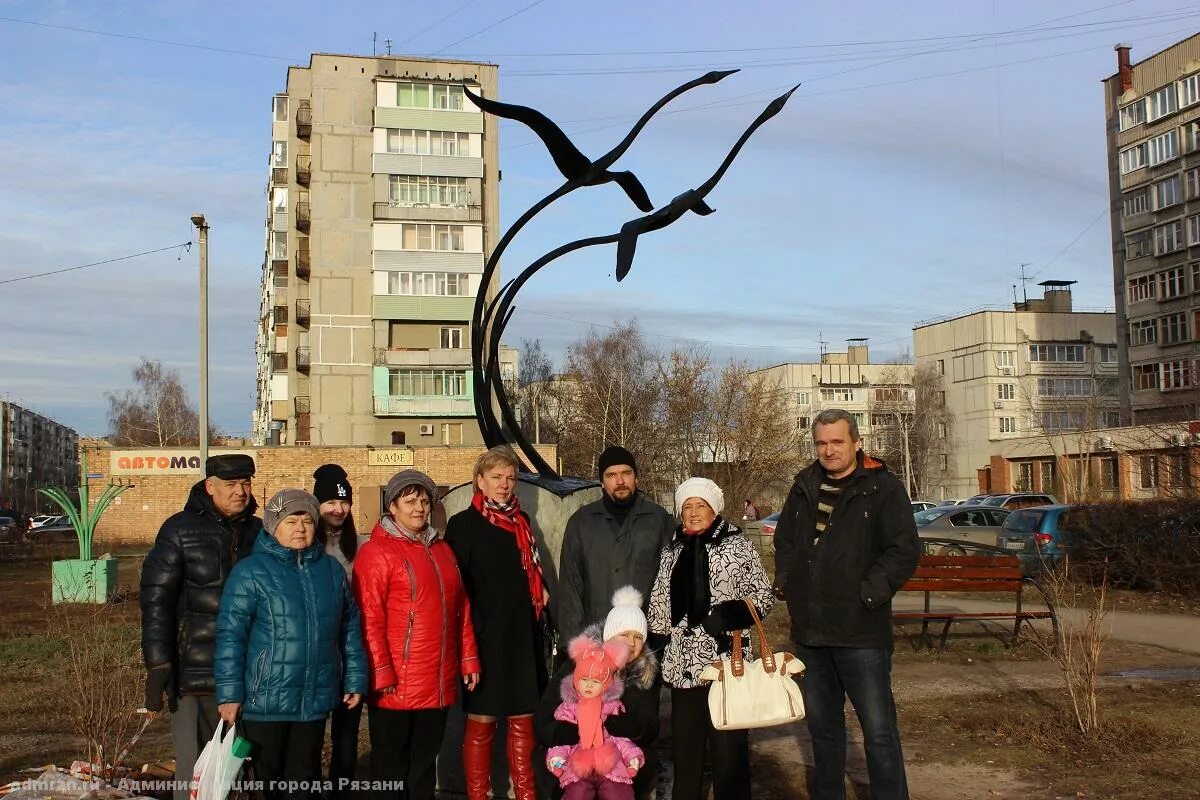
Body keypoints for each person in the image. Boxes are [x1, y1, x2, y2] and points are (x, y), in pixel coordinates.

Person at [772, 409, 920, 800]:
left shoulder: (882, 488)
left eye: (837, 442)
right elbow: (785, 539)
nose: (829, 450)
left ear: (856, 442)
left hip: (861, 632)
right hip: (812, 633)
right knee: (823, 729)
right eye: (821, 443)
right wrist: (788, 581)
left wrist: (869, 592)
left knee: (879, 730)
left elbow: (904, 550)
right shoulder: (804, 485)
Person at [214, 489, 367, 800]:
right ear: (273, 526)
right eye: (291, 521)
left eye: (307, 521)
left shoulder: (330, 570)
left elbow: (349, 628)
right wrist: (230, 693)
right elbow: (231, 636)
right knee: (265, 783)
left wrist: (354, 678)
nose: (300, 528)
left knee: (304, 781)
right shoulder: (250, 572)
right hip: (263, 702)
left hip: (312, 700)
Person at [140, 454, 262, 800]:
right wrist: (159, 663)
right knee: (195, 773)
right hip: (193, 674)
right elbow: (156, 600)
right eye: (231, 484)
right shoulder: (179, 530)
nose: (240, 491)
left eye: (246, 483)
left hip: (247, 674)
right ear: (210, 487)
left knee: (239, 769)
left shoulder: (259, 532)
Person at [354, 469, 480, 800]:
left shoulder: (441, 550)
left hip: (436, 679)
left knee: (424, 766)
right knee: (391, 769)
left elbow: (460, 610)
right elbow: (369, 616)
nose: (419, 508)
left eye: (424, 501)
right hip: (395, 682)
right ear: (392, 506)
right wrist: (380, 672)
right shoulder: (376, 553)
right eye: (410, 501)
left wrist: (468, 659)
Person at [647, 477, 773, 800]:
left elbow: (763, 597)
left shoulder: (738, 545)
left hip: (726, 666)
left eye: (699, 505)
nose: (692, 512)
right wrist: (655, 650)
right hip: (684, 668)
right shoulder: (671, 550)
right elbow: (659, 605)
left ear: (714, 509)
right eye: (686, 506)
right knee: (685, 757)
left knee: (729, 758)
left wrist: (728, 616)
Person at [445, 446, 548, 800]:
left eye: (510, 478)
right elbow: (458, 590)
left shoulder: (523, 523)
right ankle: (478, 794)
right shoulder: (462, 525)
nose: (504, 484)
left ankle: (525, 793)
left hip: (521, 635)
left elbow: (527, 575)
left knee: (523, 720)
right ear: (480, 481)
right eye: (496, 477)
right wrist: (468, 647)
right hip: (484, 638)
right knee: (482, 720)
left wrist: (542, 590)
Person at [537, 587, 662, 800]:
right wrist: (561, 731)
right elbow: (543, 717)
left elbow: (650, 726)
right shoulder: (579, 666)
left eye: (638, 637)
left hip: (619, 757)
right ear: (610, 635)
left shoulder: (644, 676)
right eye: (625, 634)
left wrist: (631, 728)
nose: (632, 643)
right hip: (574, 752)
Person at [557, 446, 674, 642]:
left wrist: (663, 636)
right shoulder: (581, 522)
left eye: (626, 473)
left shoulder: (658, 520)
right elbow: (570, 587)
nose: (620, 481)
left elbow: (672, 580)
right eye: (611, 475)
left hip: (647, 639)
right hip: (597, 638)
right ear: (602, 482)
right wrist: (575, 644)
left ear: (636, 477)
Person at [312, 463, 369, 797]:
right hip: (317, 653)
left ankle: (341, 789)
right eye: (331, 502)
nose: (338, 509)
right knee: (313, 733)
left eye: (344, 502)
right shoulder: (306, 544)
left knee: (346, 737)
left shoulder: (359, 545)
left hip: (350, 652)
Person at [545, 635, 643, 800]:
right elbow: (563, 739)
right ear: (576, 681)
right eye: (584, 680)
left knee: (618, 793)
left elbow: (621, 739)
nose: (589, 685)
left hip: (610, 764)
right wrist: (557, 757)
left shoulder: (612, 707)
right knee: (577, 793)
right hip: (578, 763)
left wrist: (631, 756)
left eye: (596, 681)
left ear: (606, 685)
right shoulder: (569, 709)